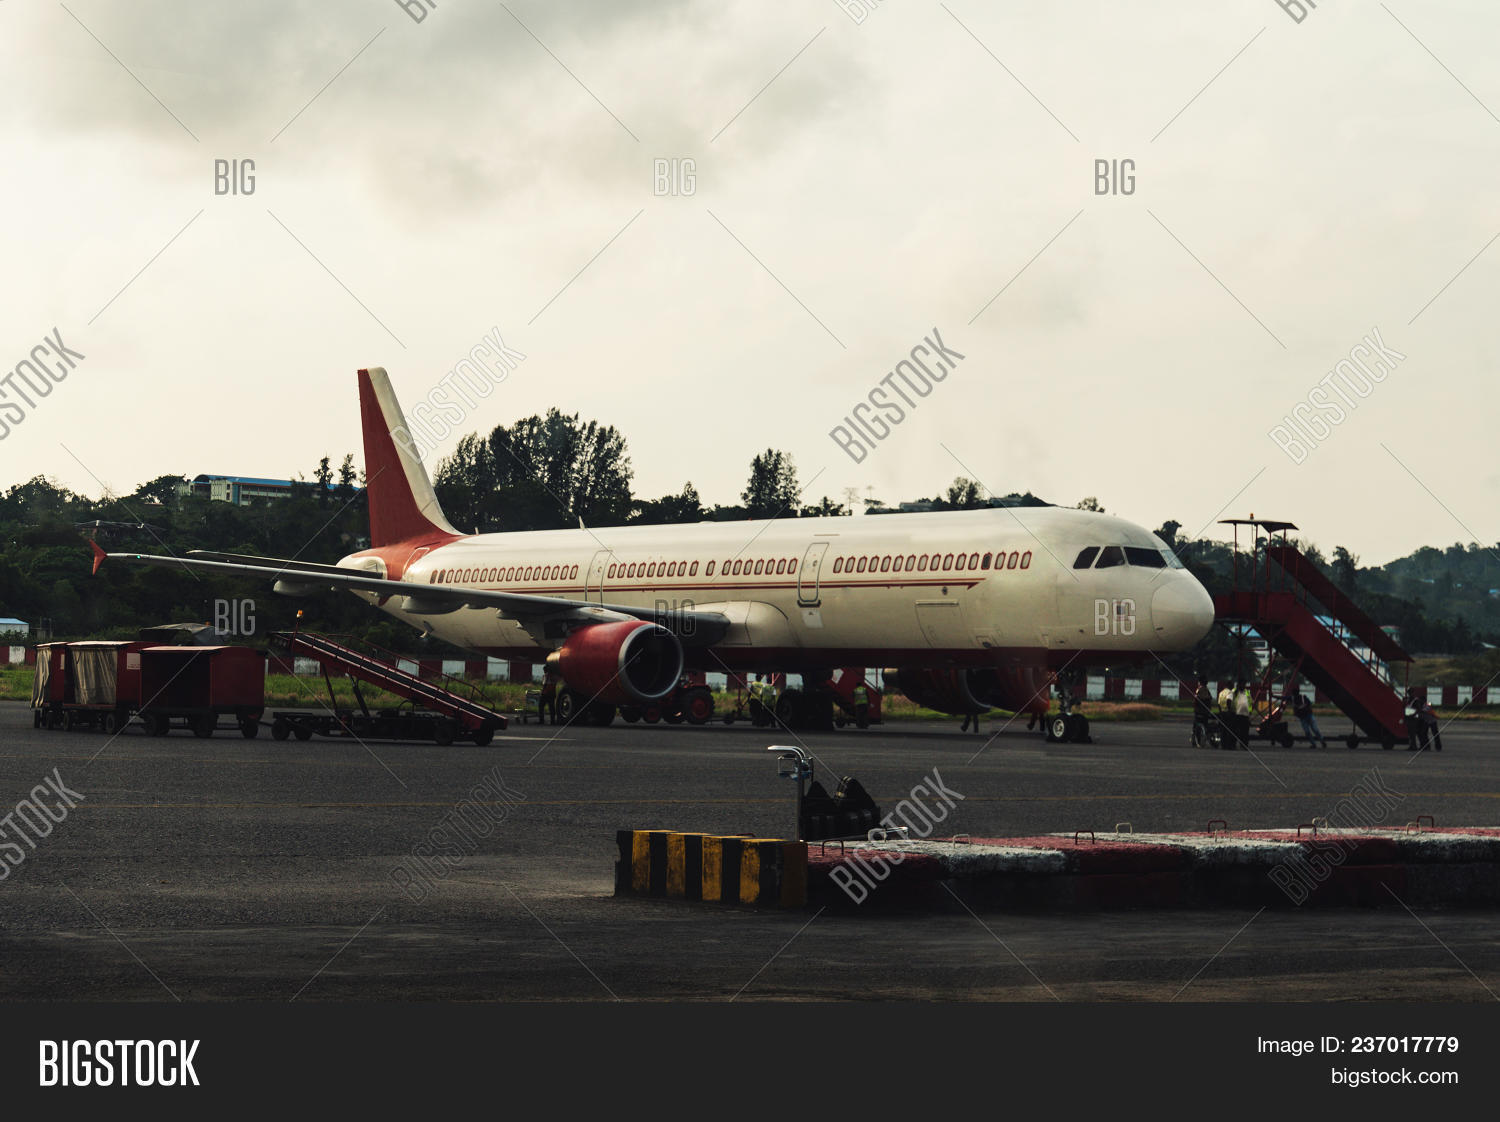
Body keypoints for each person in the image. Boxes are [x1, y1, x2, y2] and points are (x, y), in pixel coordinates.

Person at [1192, 679, 1215, 748]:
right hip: (1206, 712)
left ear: (1200, 682)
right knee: (1205, 724)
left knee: (1195, 725)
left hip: (1199, 712)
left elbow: (1196, 700)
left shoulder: (1198, 690)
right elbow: (1210, 699)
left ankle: (1195, 740)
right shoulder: (1207, 691)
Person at [1231, 680, 1252, 750]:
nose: (1243, 686)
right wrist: (1236, 690)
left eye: (1244, 685)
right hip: (1237, 714)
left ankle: (1244, 745)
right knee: (1236, 730)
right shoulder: (1234, 691)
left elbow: (1250, 702)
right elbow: (1231, 699)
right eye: (1242, 684)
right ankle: (1233, 744)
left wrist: (1250, 712)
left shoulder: (1247, 692)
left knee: (1245, 731)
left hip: (1245, 714)